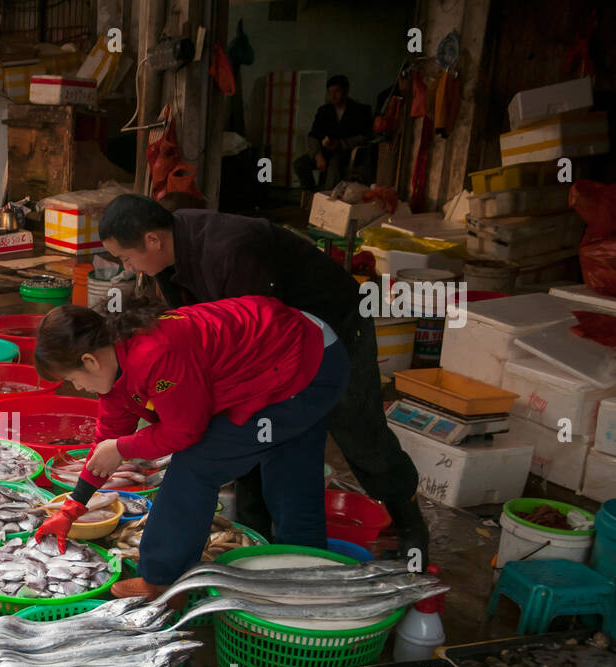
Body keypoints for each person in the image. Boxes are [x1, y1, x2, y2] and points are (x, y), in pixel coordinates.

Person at [95, 194, 429, 565]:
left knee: (359, 432)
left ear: (153, 240)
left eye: (126, 258)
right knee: (261, 436)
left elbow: (258, 345)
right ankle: (263, 540)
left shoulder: (231, 253)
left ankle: (409, 523)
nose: (130, 267)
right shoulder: (169, 254)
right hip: (275, 356)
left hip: (332, 327)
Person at [33, 298, 349, 597]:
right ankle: (309, 577)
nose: (79, 388)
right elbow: (107, 441)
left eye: (73, 379)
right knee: (292, 474)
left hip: (305, 360)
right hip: (296, 348)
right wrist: (73, 507)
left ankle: (164, 581)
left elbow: (185, 432)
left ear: (89, 360)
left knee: (197, 466)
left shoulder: (154, 354)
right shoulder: (115, 363)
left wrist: (123, 447)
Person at [293, 75, 373, 192]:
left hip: (347, 153)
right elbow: (313, 135)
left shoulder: (360, 110)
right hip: (325, 151)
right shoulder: (324, 111)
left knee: (334, 167)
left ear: (345, 91)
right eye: (330, 92)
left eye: (337, 91)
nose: (333, 96)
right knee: (300, 164)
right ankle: (312, 195)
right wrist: (318, 155)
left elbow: (365, 136)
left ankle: (328, 198)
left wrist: (341, 143)